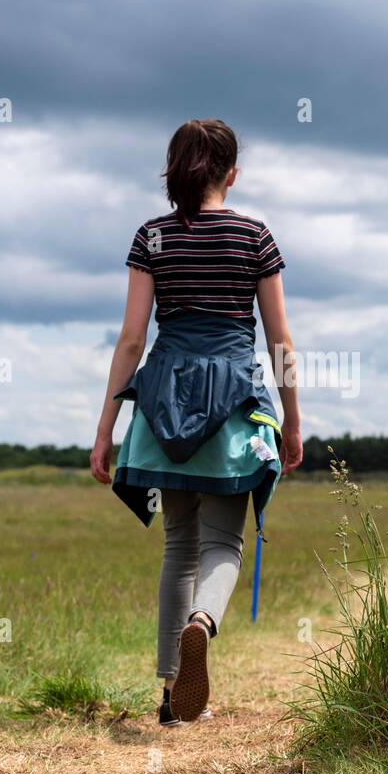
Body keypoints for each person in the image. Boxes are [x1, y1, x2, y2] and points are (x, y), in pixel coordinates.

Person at [90, 118, 303, 727]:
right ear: (231, 175)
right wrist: (291, 421)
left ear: (173, 171)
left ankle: (169, 695)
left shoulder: (151, 237)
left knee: (177, 548)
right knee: (222, 543)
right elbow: (280, 339)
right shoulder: (254, 238)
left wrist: (105, 428)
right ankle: (202, 624)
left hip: (162, 404)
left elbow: (131, 340)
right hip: (233, 403)